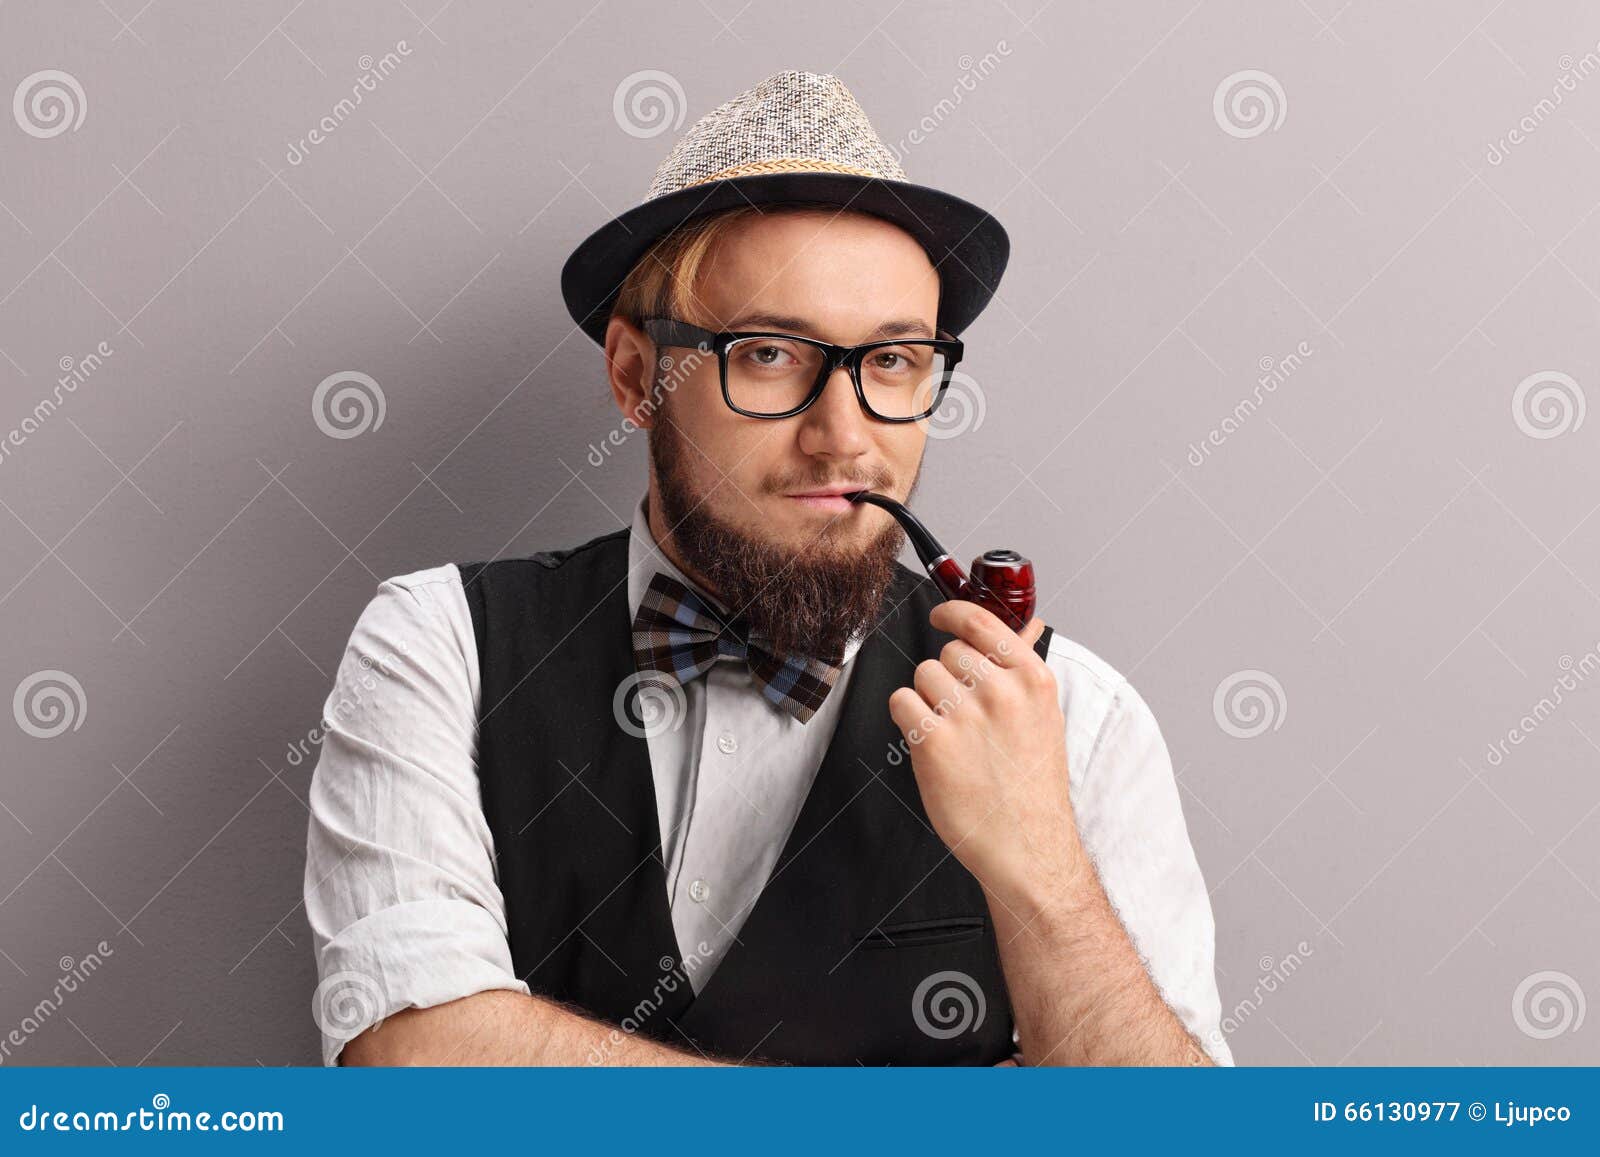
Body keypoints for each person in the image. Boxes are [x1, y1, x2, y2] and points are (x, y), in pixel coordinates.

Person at [304, 69, 1232, 1067]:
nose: (845, 436)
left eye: (892, 362)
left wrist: (1044, 869)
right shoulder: (441, 645)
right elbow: (418, 1064)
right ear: (635, 375)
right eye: (770, 353)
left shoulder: (1079, 716)